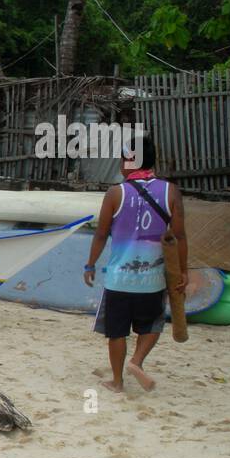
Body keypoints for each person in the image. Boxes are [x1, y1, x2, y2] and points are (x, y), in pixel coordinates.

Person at [84, 132, 188, 392]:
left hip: (119, 279)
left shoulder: (115, 193)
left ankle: (118, 382)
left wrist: (90, 264)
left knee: (116, 332)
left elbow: (100, 233)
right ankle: (137, 361)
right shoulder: (170, 192)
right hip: (152, 280)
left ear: (130, 160)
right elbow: (179, 236)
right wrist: (183, 271)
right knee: (152, 325)